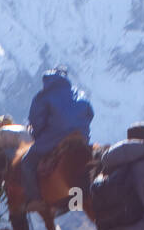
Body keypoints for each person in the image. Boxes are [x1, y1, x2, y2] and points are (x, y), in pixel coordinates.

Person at [22, 66, 93, 201]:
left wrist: (37, 134)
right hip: (80, 137)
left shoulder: (44, 95)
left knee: (27, 163)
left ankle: (35, 201)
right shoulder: (79, 93)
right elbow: (90, 113)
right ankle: (75, 203)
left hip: (54, 137)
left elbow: (36, 120)